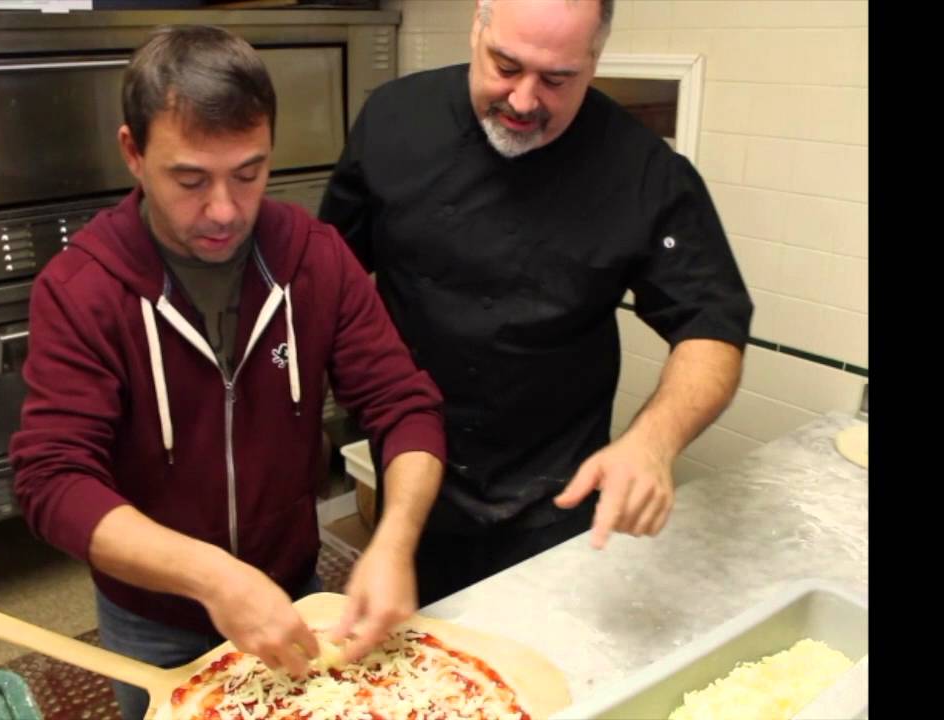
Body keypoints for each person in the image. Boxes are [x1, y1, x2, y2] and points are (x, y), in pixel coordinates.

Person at [9, 25, 445, 720]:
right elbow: (52, 480)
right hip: (153, 617)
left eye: (249, 173)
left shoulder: (316, 258)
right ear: (133, 152)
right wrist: (210, 576)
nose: (224, 210)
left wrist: (393, 540)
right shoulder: (81, 288)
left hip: (293, 589)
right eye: (190, 180)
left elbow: (405, 406)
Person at [318, 0, 753, 607]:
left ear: (594, 61)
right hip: (415, 472)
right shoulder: (395, 119)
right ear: (478, 25)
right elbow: (330, 281)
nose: (523, 100)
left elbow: (713, 325)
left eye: (557, 79)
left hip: (557, 494)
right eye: (505, 67)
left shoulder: (644, 170)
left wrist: (652, 443)